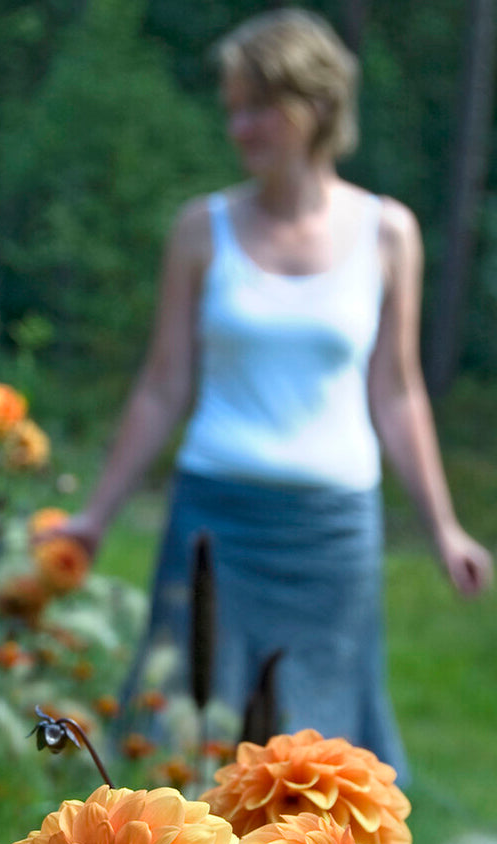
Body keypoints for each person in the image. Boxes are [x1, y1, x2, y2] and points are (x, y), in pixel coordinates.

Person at [62, 7, 492, 775]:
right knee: (185, 748)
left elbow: (397, 393)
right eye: (233, 108)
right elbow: (162, 385)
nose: (241, 127)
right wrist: (96, 516)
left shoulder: (389, 233)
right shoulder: (201, 230)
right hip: (213, 525)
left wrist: (444, 528)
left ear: (317, 105)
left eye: (259, 107)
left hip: (332, 533)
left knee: (325, 761)